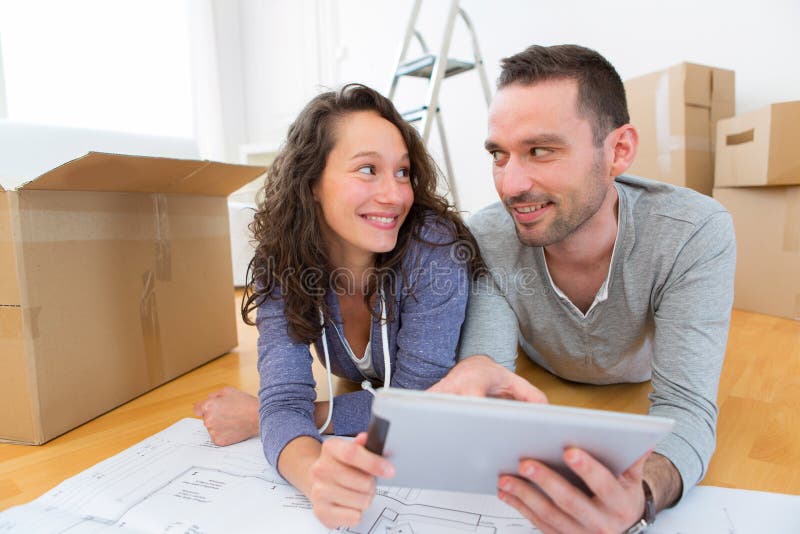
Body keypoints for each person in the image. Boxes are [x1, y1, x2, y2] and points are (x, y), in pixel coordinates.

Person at [442, 44, 736, 533]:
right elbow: (491, 370)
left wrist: (641, 494)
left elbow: (686, 407)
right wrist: (476, 371)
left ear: (618, 150)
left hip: (636, 386)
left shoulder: (693, 231)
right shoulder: (487, 236)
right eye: (499, 155)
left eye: (541, 150)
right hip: (548, 382)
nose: (511, 185)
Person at [196, 83, 483, 529]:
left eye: (403, 172)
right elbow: (286, 395)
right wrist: (315, 476)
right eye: (367, 169)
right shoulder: (284, 264)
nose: (394, 194)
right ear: (311, 183)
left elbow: (414, 409)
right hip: (370, 396)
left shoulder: (434, 251)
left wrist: (269, 416)